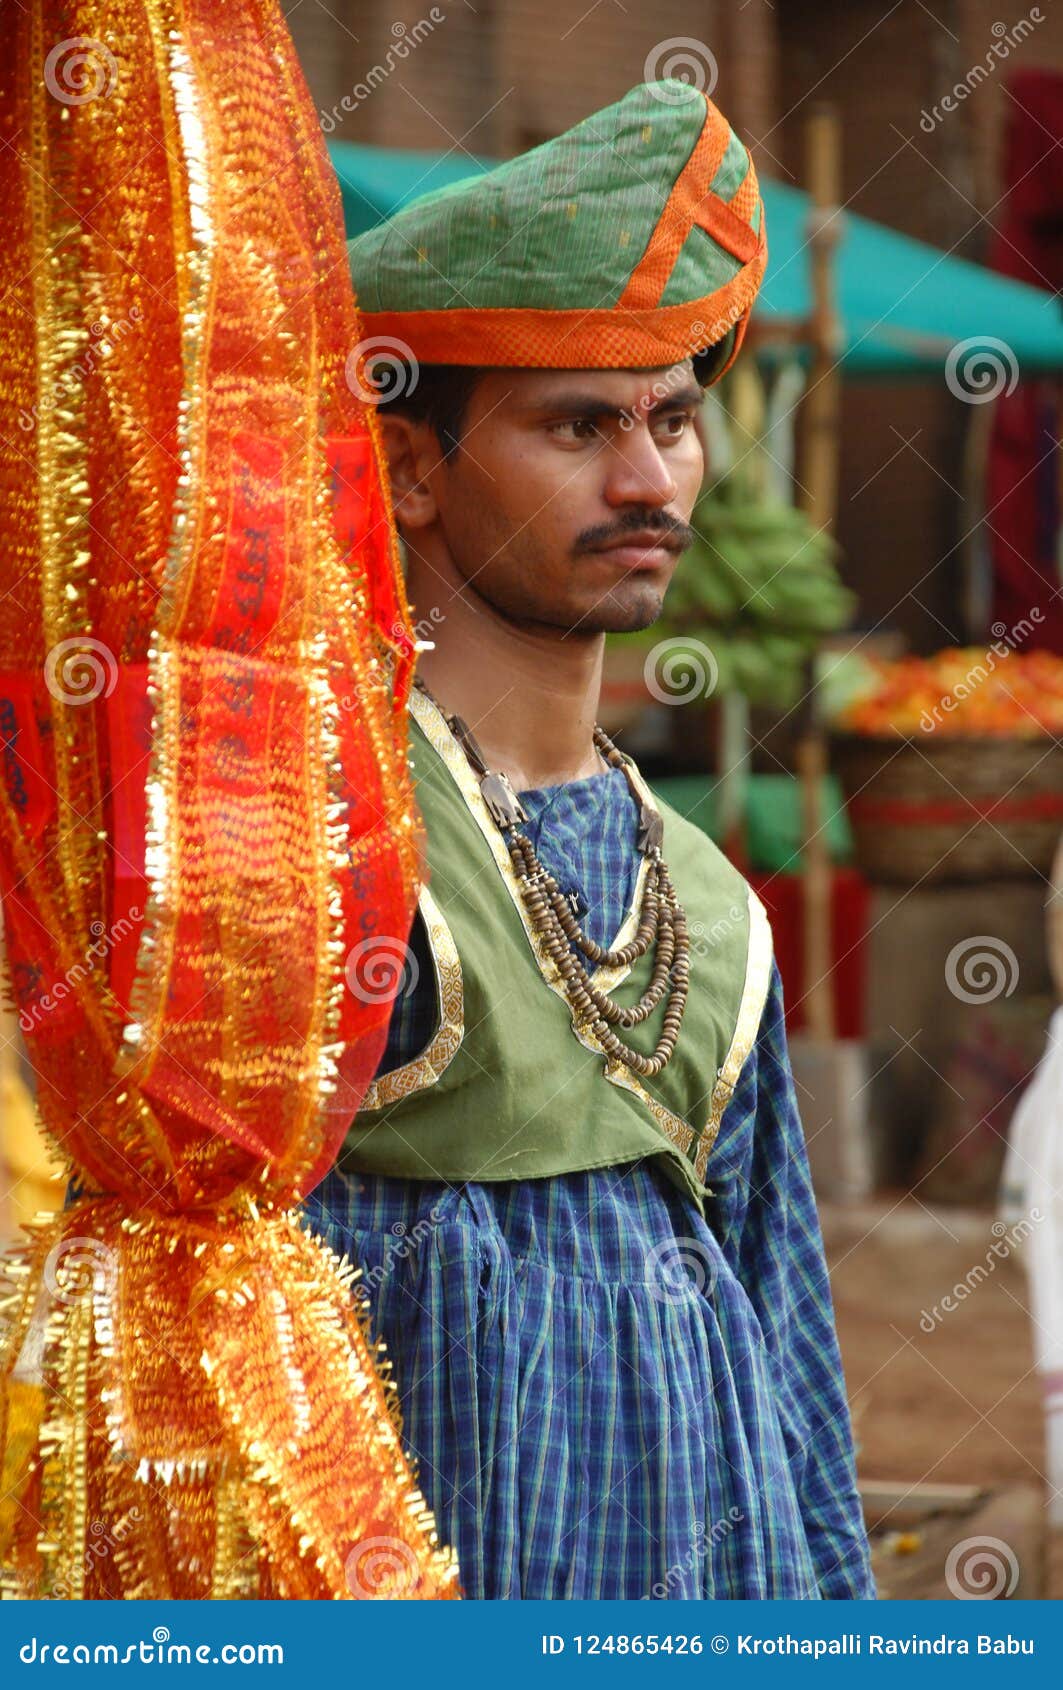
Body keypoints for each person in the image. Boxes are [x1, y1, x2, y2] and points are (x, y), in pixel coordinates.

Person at [301, 79, 875, 1601]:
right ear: (413, 468)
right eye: (578, 424)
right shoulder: (322, 847)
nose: (647, 481)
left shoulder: (713, 908)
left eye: (674, 421)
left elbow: (795, 1375)